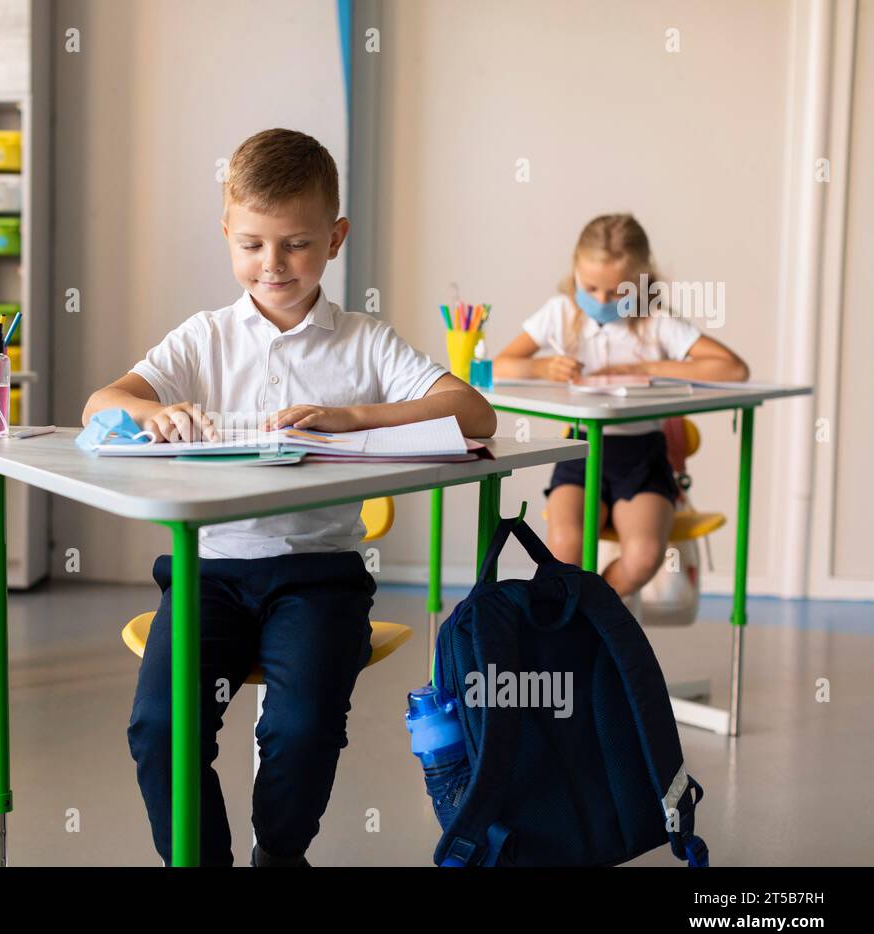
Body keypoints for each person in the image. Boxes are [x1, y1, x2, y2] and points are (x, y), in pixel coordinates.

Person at [82, 128, 496, 866]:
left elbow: (473, 413)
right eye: (251, 244)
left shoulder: (364, 341)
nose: (271, 265)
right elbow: (101, 403)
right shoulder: (203, 339)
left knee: (300, 727)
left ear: (335, 239)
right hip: (208, 572)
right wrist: (155, 413)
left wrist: (353, 414)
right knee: (161, 728)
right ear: (227, 236)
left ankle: (281, 855)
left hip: (318, 576)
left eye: (296, 244)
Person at [492, 213, 749, 598]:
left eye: (617, 292)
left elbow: (732, 368)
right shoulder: (560, 313)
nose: (601, 300)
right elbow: (498, 365)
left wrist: (646, 366)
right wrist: (542, 366)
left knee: (644, 556)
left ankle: (597, 614)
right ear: (575, 272)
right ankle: (583, 623)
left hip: (642, 455)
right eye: (590, 286)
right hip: (580, 450)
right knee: (564, 549)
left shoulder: (654, 322)